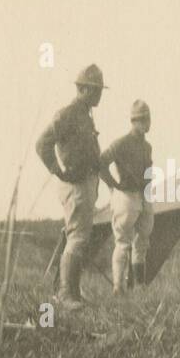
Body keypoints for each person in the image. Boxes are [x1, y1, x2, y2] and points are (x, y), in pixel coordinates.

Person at [36, 64, 106, 310]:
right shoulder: (67, 114)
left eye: (100, 90)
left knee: (80, 236)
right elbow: (42, 144)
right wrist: (58, 169)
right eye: (95, 89)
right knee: (77, 237)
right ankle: (65, 294)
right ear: (83, 89)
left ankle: (73, 292)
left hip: (85, 182)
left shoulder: (85, 115)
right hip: (75, 184)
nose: (99, 95)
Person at [99, 99, 154, 295]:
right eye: (145, 119)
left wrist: (148, 195)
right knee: (123, 242)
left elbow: (148, 171)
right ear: (136, 121)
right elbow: (101, 163)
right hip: (126, 197)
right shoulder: (121, 143)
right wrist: (114, 185)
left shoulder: (147, 147)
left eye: (148, 119)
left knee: (142, 242)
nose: (148, 124)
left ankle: (139, 287)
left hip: (143, 196)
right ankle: (118, 287)